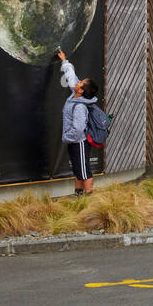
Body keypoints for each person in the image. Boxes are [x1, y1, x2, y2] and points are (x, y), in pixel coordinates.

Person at [55, 48, 99, 196]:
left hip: (79, 141)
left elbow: (79, 129)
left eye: (81, 83)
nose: (78, 82)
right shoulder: (76, 94)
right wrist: (64, 60)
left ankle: (89, 200)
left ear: (81, 91)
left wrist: (67, 137)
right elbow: (71, 77)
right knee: (78, 169)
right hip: (74, 141)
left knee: (84, 170)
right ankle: (79, 195)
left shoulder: (80, 106)